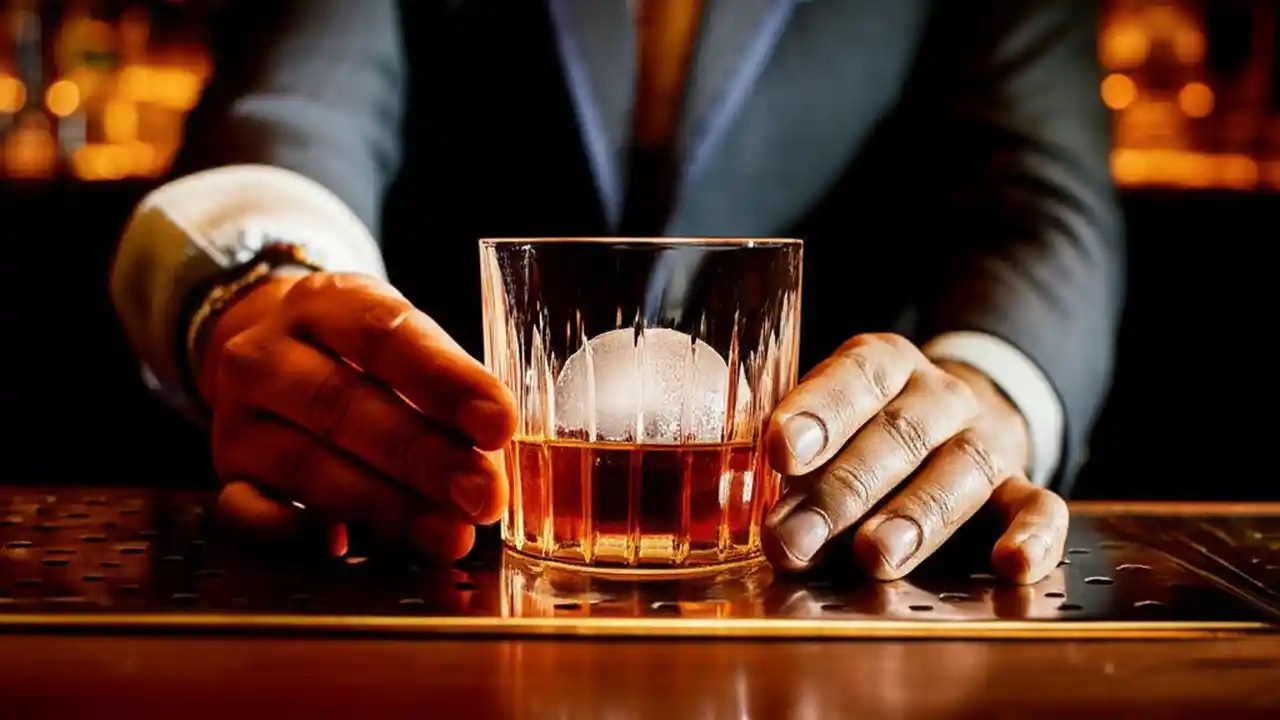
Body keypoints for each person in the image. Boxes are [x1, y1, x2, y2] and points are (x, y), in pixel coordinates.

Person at [110, 0, 1122, 583]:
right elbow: (293, 103)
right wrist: (262, 284)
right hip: (430, 551)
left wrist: (983, 394)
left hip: (800, 573)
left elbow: (1043, 205)